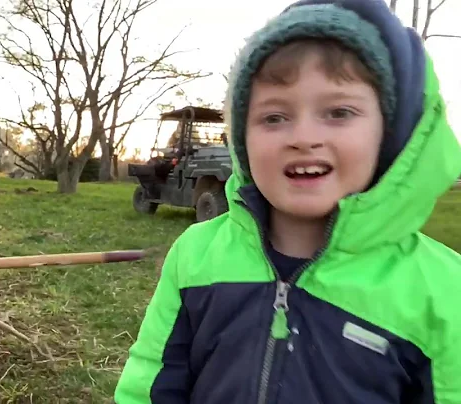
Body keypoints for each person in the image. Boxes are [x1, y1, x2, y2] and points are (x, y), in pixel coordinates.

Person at [115, 0, 461, 402]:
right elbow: (151, 385)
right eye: (274, 117)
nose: (303, 136)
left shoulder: (444, 291)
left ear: (392, 135)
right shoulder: (195, 256)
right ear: (243, 142)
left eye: (339, 111)